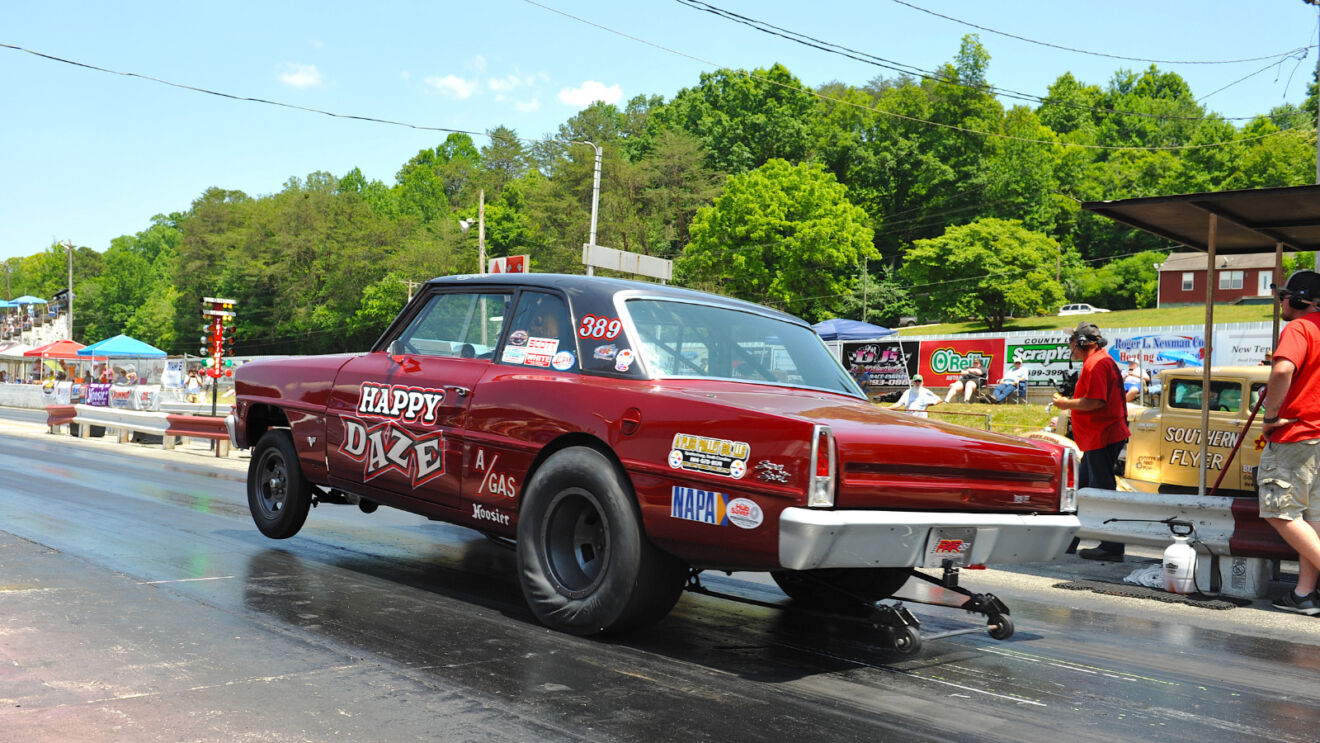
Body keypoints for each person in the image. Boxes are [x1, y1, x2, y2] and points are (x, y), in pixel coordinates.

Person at [1258, 271, 1320, 614]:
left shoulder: (1299, 328)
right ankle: (1303, 594)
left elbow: (1282, 371)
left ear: (1298, 299)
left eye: (1284, 295)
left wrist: (1270, 418)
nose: (1281, 301)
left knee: (1279, 511)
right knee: (1312, 518)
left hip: (1297, 434)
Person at [1053, 321, 1131, 562]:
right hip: (1099, 435)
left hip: (1102, 435)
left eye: (1072, 340)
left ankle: (1112, 547)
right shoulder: (1099, 361)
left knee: (1101, 490)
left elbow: (1096, 401)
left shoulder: (1097, 364)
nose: (1069, 345)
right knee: (1084, 488)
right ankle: (1069, 540)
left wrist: (1065, 404)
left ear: (1082, 343)